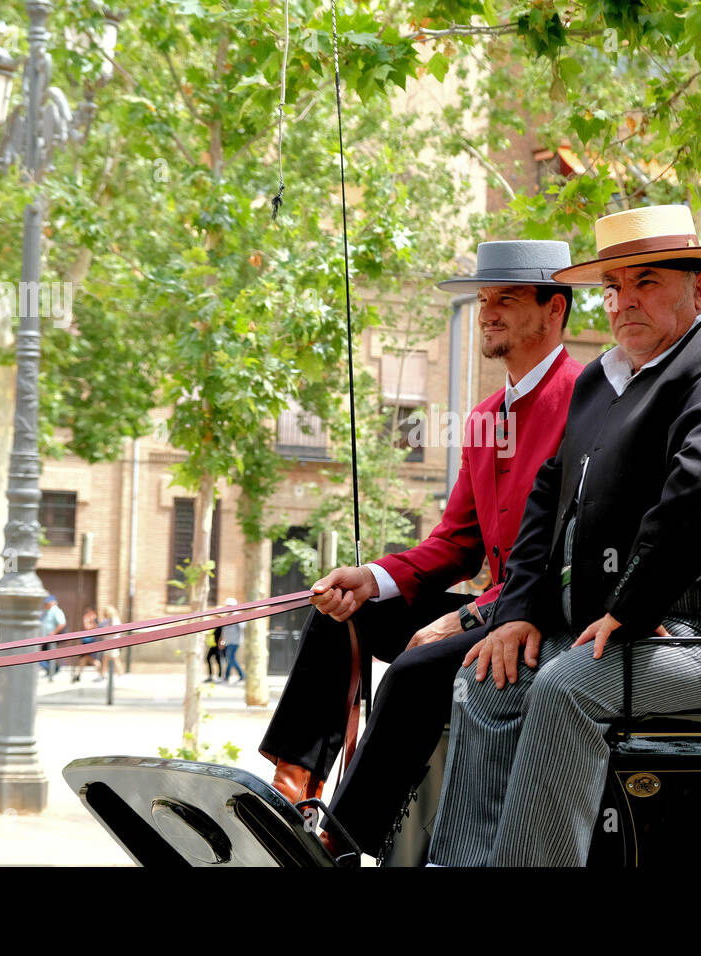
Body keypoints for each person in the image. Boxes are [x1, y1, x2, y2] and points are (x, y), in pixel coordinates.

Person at [427, 204, 701, 867]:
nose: (624, 302)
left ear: (699, 288)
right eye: (612, 287)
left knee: (569, 686)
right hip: (618, 619)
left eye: (646, 281)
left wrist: (632, 606)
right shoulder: (601, 378)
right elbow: (547, 497)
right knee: (486, 677)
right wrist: (520, 613)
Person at [259, 240, 585, 858]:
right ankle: (296, 784)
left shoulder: (589, 401)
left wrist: (465, 616)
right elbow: (456, 543)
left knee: (412, 674)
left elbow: (562, 557)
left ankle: (339, 842)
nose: (488, 312)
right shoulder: (486, 416)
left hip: (547, 617)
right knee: (342, 614)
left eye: (506, 300)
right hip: (492, 604)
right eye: (484, 299)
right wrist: (372, 578)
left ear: (555, 310)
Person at [39, 595, 66, 681]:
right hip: (44, 639)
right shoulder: (46, 611)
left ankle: (53, 671)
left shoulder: (56, 611)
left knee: (46, 656)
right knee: (43, 656)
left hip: (50, 639)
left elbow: (62, 623)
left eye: (48, 602)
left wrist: (53, 633)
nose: (46, 604)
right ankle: (51, 671)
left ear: (53, 602)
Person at [220, 599, 244, 684]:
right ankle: (228, 677)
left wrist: (237, 618)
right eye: (227, 606)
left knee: (231, 659)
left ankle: (241, 675)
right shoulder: (226, 616)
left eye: (229, 606)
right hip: (228, 642)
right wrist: (222, 642)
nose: (228, 608)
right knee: (230, 659)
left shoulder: (237, 615)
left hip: (235, 642)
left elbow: (243, 626)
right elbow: (224, 631)